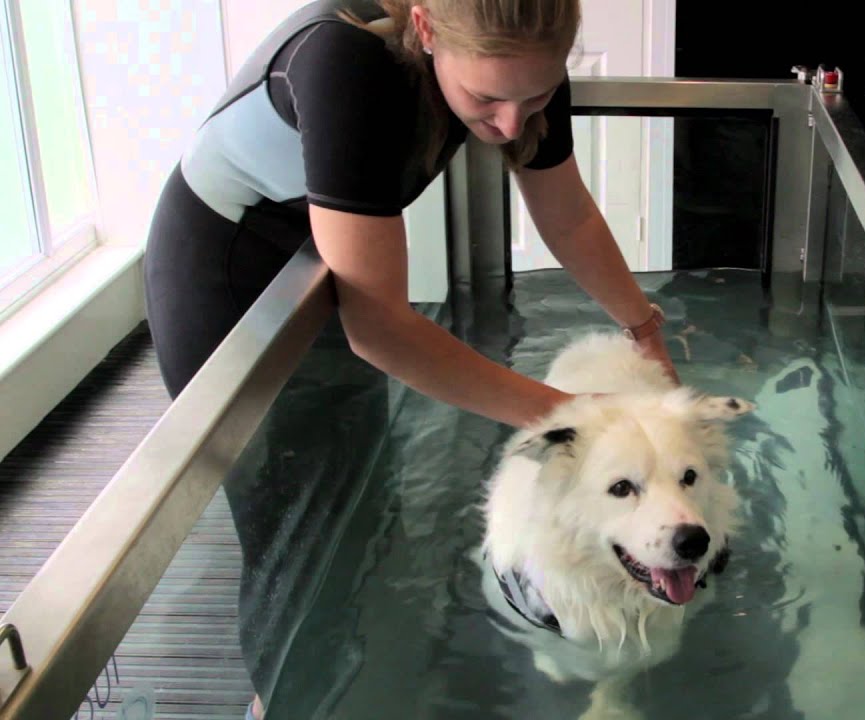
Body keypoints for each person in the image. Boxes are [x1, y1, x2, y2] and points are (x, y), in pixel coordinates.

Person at [141, 1, 676, 717]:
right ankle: (288, 703)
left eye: (538, 97)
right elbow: (384, 331)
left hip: (322, 254)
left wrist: (643, 327)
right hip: (226, 268)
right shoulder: (348, 63)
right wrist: (572, 415)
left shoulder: (527, 55)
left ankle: (363, 676)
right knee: (292, 525)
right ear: (425, 31)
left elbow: (567, 211)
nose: (512, 125)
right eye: (486, 99)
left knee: (352, 492)